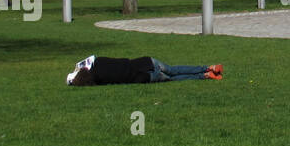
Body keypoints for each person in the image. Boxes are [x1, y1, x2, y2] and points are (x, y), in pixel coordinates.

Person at [67, 56, 222, 85]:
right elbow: (90, 59)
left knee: (173, 78)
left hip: (143, 76)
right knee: (174, 69)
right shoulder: (99, 61)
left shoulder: (100, 80)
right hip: (144, 61)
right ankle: (209, 67)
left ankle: (205, 76)